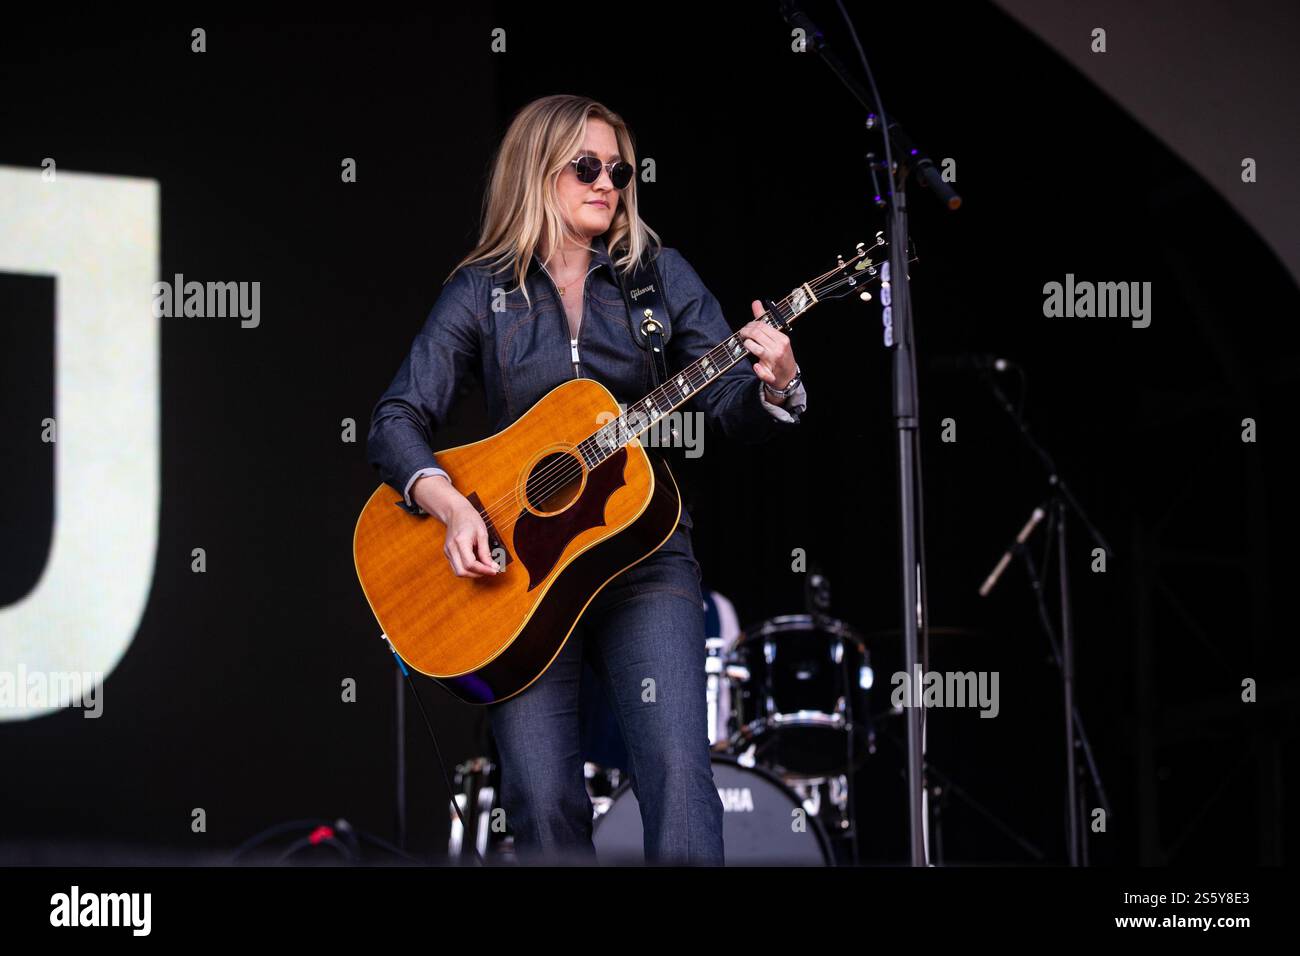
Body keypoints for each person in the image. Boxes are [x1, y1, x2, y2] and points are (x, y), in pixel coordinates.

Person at [367, 94, 807, 865]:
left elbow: (729, 407)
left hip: (645, 558)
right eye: (586, 166)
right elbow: (396, 418)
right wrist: (449, 507)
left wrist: (776, 384)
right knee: (540, 799)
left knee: (678, 775)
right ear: (539, 171)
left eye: (618, 169)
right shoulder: (482, 290)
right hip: (521, 581)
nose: (607, 182)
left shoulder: (657, 276)